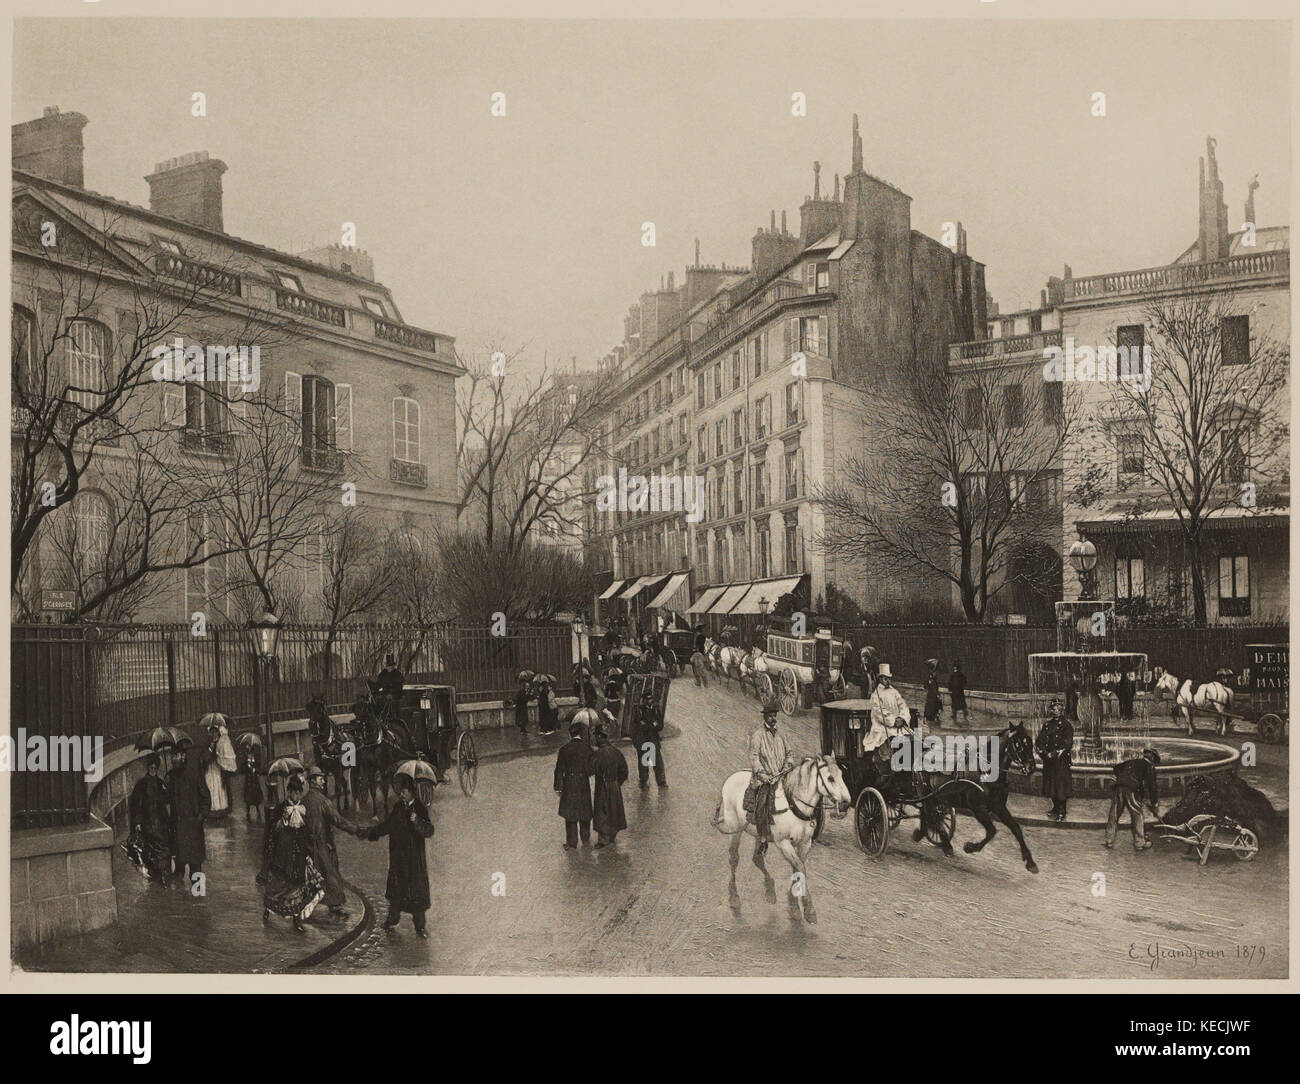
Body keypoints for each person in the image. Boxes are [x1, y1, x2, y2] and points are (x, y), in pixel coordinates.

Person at [358, 771, 435, 937]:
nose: (402, 795)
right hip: (399, 858)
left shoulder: (420, 808)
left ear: (411, 792)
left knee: (416, 894)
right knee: (396, 892)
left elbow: (429, 830)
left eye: (405, 792)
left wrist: (417, 821)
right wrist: (370, 832)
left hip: (414, 860)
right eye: (400, 792)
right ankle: (392, 920)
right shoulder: (399, 807)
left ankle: (420, 927)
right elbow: (387, 826)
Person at [258, 775, 325, 933]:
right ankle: (268, 909)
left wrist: (309, 847)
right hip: (283, 855)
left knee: (298, 886)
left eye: (298, 793)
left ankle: (297, 919)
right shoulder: (281, 808)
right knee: (279, 884)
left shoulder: (303, 809)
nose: (295, 796)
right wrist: (282, 822)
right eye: (293, 792)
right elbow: (272, 832)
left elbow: (306, 830)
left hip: (299, 853)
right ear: (288, 792)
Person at [304, 766, 361, 920]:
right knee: (329, 874)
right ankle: (334, 904)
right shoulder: (323, 801)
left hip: (308, 845)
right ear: (312, 781)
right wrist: (356, 830)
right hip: (321, 845)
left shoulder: (304, 801)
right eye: (320, 778)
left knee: (312, 876)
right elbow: (338, 820)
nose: (323, 781)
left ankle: (310, 904)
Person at [746, 702, 795, 853]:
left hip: (781, 776)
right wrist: (763, 775)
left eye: (775, 716)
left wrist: (788, 765)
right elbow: (754, 758)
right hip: (764, 779)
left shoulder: (781, 734)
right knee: (763, 804)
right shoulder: (758, 735)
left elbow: (789, 753)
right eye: (771, 716)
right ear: (765, 717)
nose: (774, 719)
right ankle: (762, 838)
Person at [168, 736, 211, 889]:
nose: (174, 759)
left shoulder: (194, 773)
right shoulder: (171, 777)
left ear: (184, 756)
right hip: (178, 829)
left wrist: (199, 818)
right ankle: (181, 906)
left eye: (176, 755)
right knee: (178, 868)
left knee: (196, 871)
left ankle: (199, 902)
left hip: (192, 828)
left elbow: (206, 798)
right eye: (172, 755)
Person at [127, 754, 172, 885]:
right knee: (150, 852)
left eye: (155, 767)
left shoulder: (161, 783)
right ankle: (156, 876)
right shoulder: (141, 785)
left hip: (161, 824)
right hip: (148, 824)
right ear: (148, 768)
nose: (153, 769)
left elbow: (167, 801)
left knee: (164, 851)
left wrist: (166, 789)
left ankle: (164, 877)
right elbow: (136, 805)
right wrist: (137, 822)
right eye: (151, 767)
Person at [1105, 748, 1161, 851]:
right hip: (1132, 790)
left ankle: (1109, 840)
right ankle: (1140, 843)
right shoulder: (1149, 766)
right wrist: (1155, 803)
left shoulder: (1132, 761)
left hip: (1119, 787)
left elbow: (1116, 768)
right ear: (1152, 757)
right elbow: (1152, 786)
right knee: (1137, 815)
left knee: (1114, 813)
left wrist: (1122, 778)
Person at [554, 720, 595, 849]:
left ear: (570, 734)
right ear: (581, 734)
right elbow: (592, 768)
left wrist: (558, 787)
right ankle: (585, 837)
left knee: (570, 814)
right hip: (583, 783)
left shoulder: (564, 749)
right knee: (584, 811)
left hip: (569, 783)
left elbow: (559, 770)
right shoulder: (587, 748)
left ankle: (572, 842)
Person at [591, 724, 629, 848]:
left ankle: (603, 839)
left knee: (602, 811)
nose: (595, 739)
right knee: (614, 810)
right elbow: (624, 770)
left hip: (603, 785)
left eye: (596, 736)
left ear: (601, 737)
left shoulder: (599, 753)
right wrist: (617, 783)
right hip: (614, 785)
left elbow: (593, 769)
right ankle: (612, 835)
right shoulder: (616, 751)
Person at [1036, 698, 1074, 821]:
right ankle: (1055, 808)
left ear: (1062, 710)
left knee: (1060, 786)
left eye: (1059, 708)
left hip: (1061, 760)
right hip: (1049, 760)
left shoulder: (1066, 725)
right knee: (1050, 785)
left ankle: (1062, 811)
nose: (1056, 710)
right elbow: (1039, 741)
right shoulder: (1047, 725)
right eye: (1054, 708)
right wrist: (1043, 753)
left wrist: (1056, 754)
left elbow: (1067, 743)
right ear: (1051, 710)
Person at [631, 688, 667, 789]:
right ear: (644, 700)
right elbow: (641, 726)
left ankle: (661, 782)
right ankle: (643, 782)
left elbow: (660, 725)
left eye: (651, 698)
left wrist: (650, 725)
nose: (651, 700)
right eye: (648, 699)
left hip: (653, 740)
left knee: (658, 763)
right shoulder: (639, 711)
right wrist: (652, 725)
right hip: (644, 741)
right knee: (644, 763)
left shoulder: (655, 709)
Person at [204, 722, 237, 815]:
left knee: (220, 786)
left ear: (218, 732)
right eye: (212, 732)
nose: (214, 734)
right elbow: (206, 755)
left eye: (215, 732)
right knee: (211, 786)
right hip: (211, 767)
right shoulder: (210, 743)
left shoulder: (222, 741)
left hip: (218, 767)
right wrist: (210, 749)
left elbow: (224, 754)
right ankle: (212, 807)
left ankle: (222, 808)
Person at [869, 663, 911, 735]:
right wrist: (894, 721)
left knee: (911, 737)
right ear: (880, 679)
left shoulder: (894, 692)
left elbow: (903, 705)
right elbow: (879, 712)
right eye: (885, 679)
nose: (888, 681)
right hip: (883, 727)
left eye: (889, 679)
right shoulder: (876, 695)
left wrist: (902, 718)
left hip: (899, 725)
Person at [376, 653, 405, 718]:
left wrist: (391, 693)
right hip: (385, 695)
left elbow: (399, 687)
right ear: (386, 666)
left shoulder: (397, 674)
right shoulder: (383, 674)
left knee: (391, 704)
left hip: (395, 696)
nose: (390, 667)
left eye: (391, 665)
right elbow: (378, 684)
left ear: (394, 666)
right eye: (388, 665)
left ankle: (394, 718)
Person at [241, 741, 265, 822]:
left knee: (256, 797)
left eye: (251, 753)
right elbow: (243, 770)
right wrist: (248, 765)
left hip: (255, 781)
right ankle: (248, 813)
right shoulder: (246, 763)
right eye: (249, 753)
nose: (250, 755)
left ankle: (258, 811)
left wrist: (255, 769)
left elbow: (258, 768)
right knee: (248, 798)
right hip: (249, 782)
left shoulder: (255, 762)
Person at [511, 671, 535, 736]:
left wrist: (531, 695)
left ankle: (523, 730)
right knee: (521, 718)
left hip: (523, 706)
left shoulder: (524, 690)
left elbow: (528, 698)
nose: (527, 688)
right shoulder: (520, 691)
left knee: (524, 718)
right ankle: (522, 730)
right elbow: (519, 698)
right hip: (520, 706)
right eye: (526, 687)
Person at [948, 661, 969, 727]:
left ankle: (954, 719)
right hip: (960, 693)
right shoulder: (961, 675)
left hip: (954, 693)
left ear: (954, 668)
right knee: (963, 706)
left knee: (954, 706)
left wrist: (950, 690)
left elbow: (949, 684)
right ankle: (965, 718)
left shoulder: (952, 675)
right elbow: (965, 682)